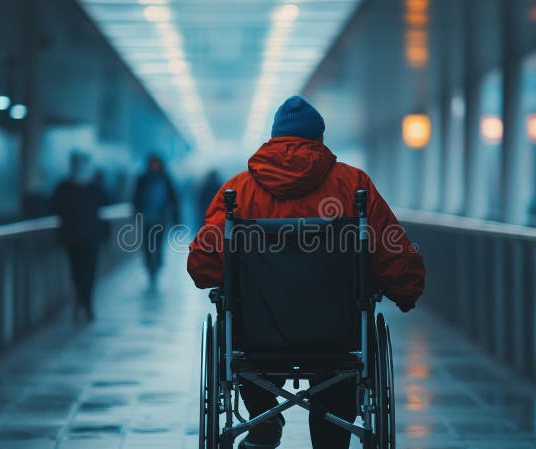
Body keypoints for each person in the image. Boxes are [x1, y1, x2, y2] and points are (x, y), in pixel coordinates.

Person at [187, 96, 425, 449]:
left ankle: (263, 420)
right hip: (337, 335)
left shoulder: (239, 190)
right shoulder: (353, 185)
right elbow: (393, 252)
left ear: (273, 139)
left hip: (257, 337)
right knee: (347, 350)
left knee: (235, 323)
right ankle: (332, 436)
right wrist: (406, 289)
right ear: (320, 139)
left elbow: (202, 264)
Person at [51, 151, 109, 321]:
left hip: (73, 237)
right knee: (87, 271)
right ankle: (85, 302)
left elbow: (54, 207)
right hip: (89, 237)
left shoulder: (64, 187)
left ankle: (82, 300)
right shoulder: (95, 188)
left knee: (78, 271)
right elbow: (105, 205)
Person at [132, 153, 180, 290]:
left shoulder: (166, 179)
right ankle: (150, 266)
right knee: (147, 244)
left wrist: (176, 218)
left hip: (160, 218)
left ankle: (157, 265)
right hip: (146, 218)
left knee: (158, 244)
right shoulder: (143, 179)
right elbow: (136, 198)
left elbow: (174, 199)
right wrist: (137, 213)